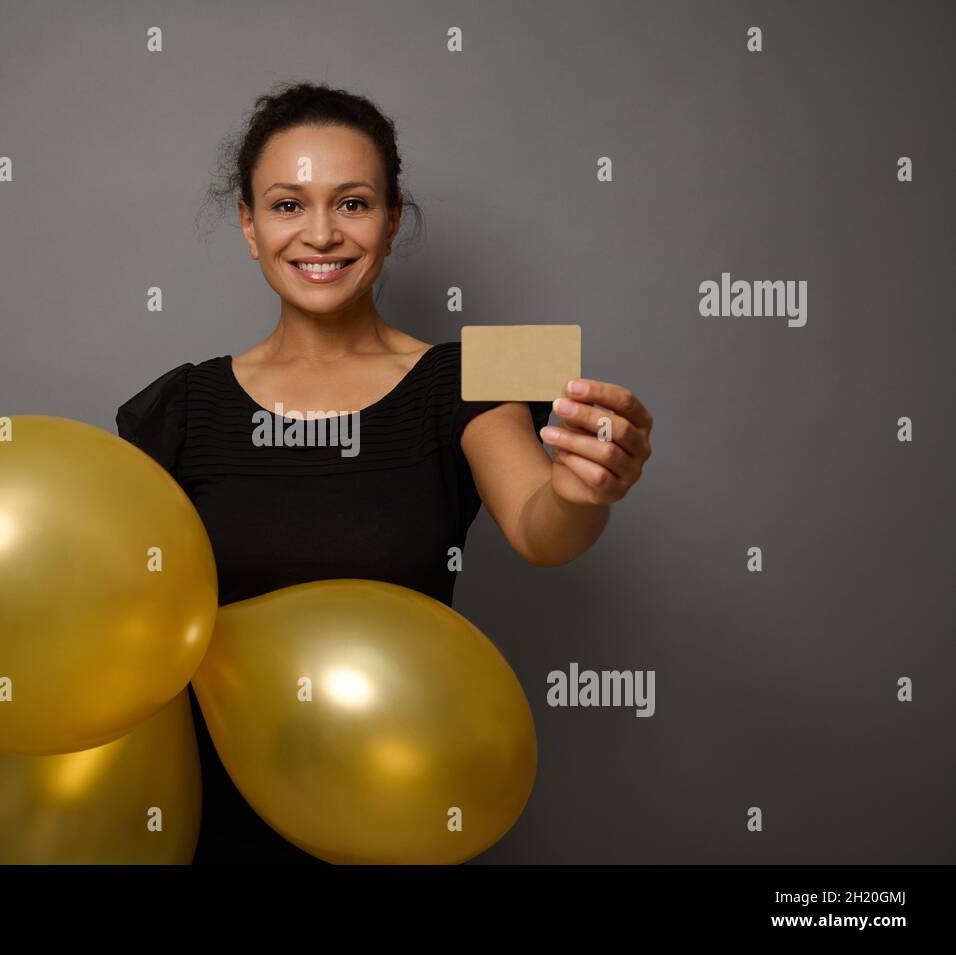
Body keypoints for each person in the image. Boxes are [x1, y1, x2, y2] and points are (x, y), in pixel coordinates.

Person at [115, 81, 653, 865]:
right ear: (248, 224)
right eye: (288, 205)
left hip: (401, 809)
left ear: (394, 221)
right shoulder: (182, 402)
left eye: (355, 203)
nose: (322, 234)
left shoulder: (473, 372)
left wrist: (582, 489)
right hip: (211, 816)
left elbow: (544, 529)